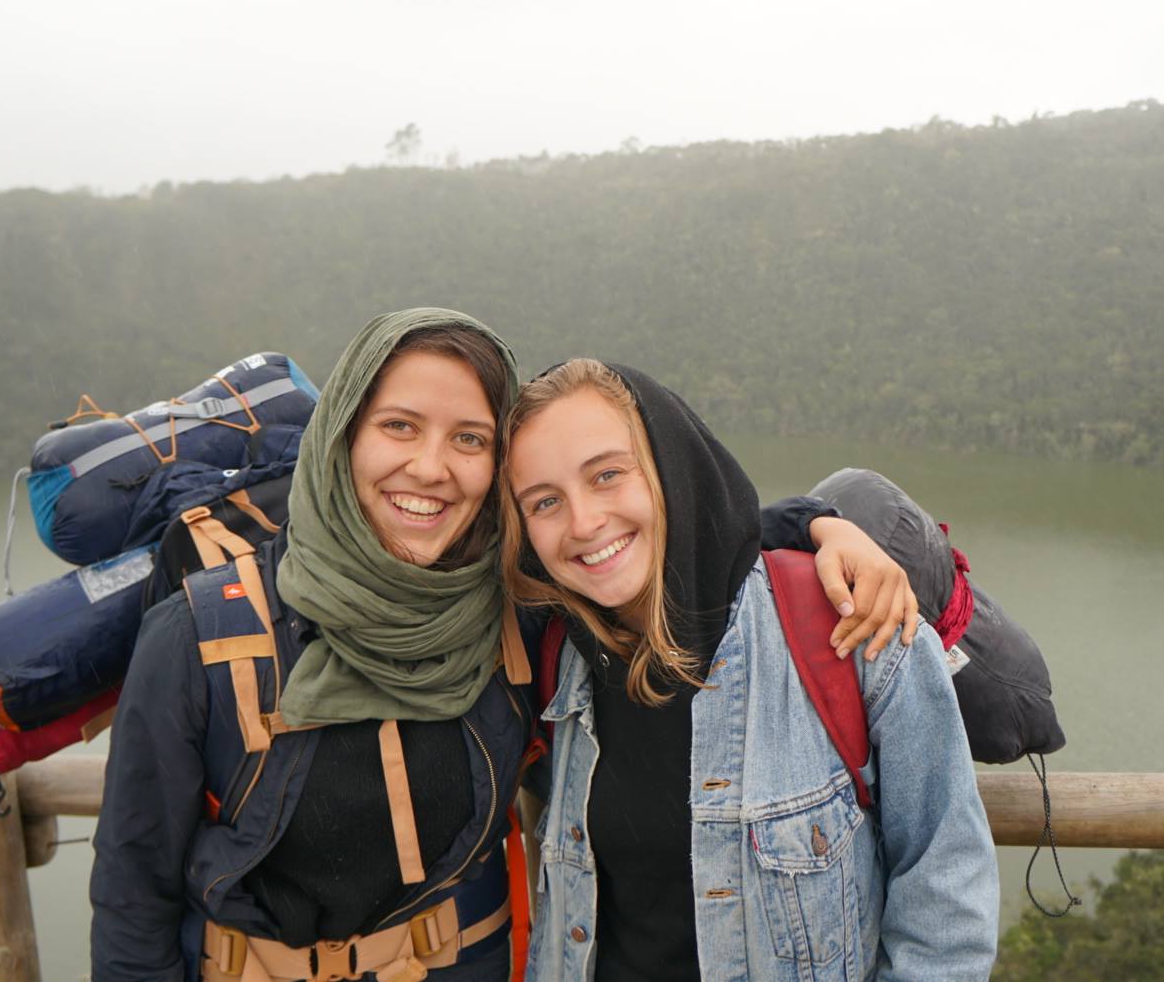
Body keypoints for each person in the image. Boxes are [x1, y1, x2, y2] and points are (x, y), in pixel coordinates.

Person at [89, 309, 917, 982]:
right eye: (399, 427)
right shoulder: (203, 635)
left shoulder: (510, 611)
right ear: (343, 435)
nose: (430, 467)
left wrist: (816, 523)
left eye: (470, 439)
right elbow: (134, 898)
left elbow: (660, 543)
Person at [502, 359, 999, 981]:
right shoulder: (553, 655)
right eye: (544, 501)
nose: (582, 522)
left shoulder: (848, 626)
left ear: (669, 468)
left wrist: (819, 523)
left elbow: (945, 891)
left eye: (607, 474)